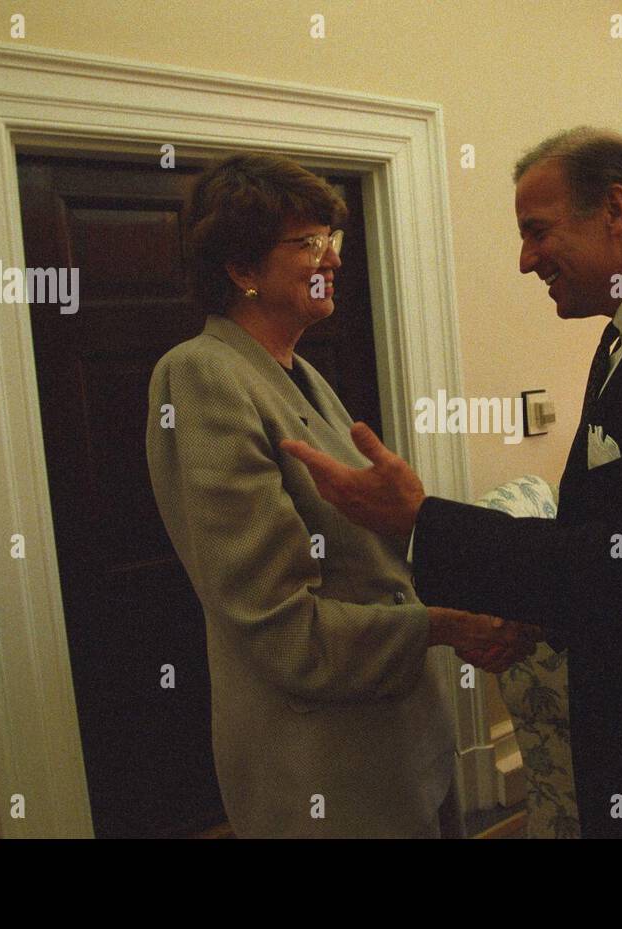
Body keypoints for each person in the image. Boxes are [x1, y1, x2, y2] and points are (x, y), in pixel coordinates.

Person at [282, 128, 622, 838]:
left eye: (537, 231)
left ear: (616, 210)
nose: (525, 258)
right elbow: (609, 538)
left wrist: (421, 519)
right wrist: (533, 615)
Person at [145, 153, 535, 838]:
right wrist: (444, 626)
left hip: (401, 741)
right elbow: (285, 630)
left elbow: (368, 561)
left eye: (334, 239)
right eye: (308, 242)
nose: (334, 258)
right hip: (327, 771)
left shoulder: (298, 373)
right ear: (240, 270)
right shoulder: (201, 374)